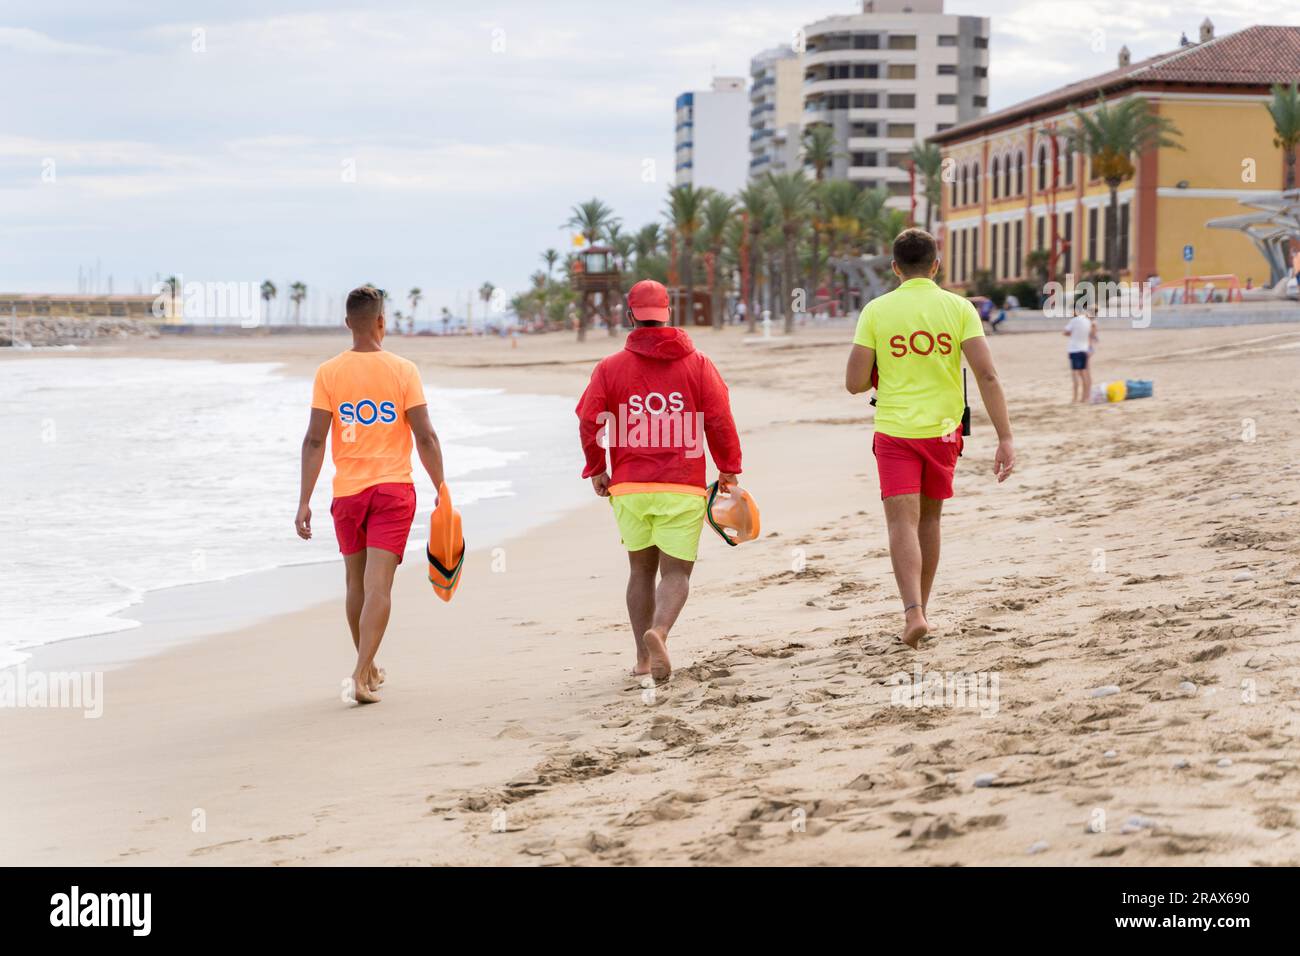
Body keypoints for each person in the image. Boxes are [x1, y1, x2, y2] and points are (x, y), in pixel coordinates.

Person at [844, 228, 1015, 649]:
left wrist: (886, 362)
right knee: (930, 519)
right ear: (936, 265)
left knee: (902, 522)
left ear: (895, 268)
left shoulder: (876, 310)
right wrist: (1006, 437)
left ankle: (912, 612)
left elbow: (853, 383)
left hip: (895, 431)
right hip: (943, 430)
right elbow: (987, 374)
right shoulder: (959, 309)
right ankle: (925, 608)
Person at [576, 279, 742, 682]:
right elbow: (719, 417)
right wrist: (728, 467)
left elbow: (588, 419)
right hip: (681, 487)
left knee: (640, 572)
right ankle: (660, 632)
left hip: (630, 489)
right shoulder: (698, 364)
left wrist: (597, 468)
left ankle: (642, 660)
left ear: (630, 316)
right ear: (668, 314)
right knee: (676, 574)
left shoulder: (610, 367)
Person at [296, 285, 445, 704]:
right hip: (394, 490)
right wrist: (441, 486)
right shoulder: (403, 370)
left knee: (355, 584)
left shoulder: (329, 372)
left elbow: (313, 440)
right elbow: (426, 435)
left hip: (347, 494)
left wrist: (304, 500)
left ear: (348, 324)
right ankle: (362, 673)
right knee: (379, 585)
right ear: (382, 321)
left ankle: (368, 667)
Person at [1064, 306, 1094, 403]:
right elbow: (1091, 336)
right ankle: (1084, 397)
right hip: (1084, 349)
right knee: (1084, 374)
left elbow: (1065, 332)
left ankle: (1075, 398)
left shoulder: (1074, 321)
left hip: (1074, 349)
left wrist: (1073, 333)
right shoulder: (1088, 321)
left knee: (1075, 375)